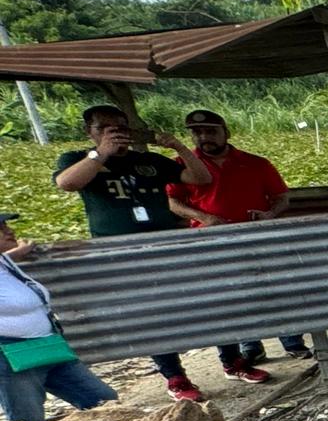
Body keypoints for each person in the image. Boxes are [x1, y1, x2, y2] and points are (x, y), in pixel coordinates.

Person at [52, 103, 265, 401]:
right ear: (90, 132)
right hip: (120, 252)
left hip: (167, 245)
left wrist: (177, 145)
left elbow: (201, 179)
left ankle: (232, 360)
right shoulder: (80, 159)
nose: (116, 132)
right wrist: (101, 151)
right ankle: (175, 376)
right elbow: (67, 183)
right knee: (151, 314)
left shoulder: (149, 161)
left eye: (121, 126)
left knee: (210, 301)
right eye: (105, 127)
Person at [169, 107, 308, 362]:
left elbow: (281, 198)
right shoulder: (181, 166)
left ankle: (292, 340)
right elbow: (174, 202)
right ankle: (250, 345)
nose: (203, 137)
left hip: (255, 236)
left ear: (226, 132)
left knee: (273, 288)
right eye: (197, 132)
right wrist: (205, 217)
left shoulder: (255, 163)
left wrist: (268, 214)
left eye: (210, 131)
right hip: (211, 239)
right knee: (231, 295)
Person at [0, 212, 117, 421]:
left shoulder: (4, 261)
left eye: (6, 225)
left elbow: (11, 255)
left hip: (49, 347)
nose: (9, 230)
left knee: (105, 402)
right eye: (1, 228)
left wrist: (20, 251)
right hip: (12, 356)